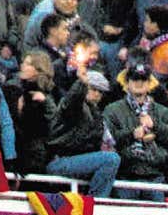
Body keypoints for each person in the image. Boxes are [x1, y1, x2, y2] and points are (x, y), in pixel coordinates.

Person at [104, 62, 168, 200]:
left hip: (155, 176)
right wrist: (131, 134)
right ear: (127, 83)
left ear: (149, 83)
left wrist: (156, 126)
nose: (139, 83)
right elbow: (106, 140)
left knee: (157, 214)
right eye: (135, 79)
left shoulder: (162, 110)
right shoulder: (112, 110)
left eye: (143, 79)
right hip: (124, 177)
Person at [46, 67, 120, 196]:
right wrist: (81, 83)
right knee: (111, 159)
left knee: (112, 159)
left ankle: (94, 200)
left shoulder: (97, 115)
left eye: (100, 91)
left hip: (77, 162)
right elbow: (72, 101)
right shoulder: (74, 106)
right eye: (93, 89)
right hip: (60, 160)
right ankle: (95, 202)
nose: (97, 94)